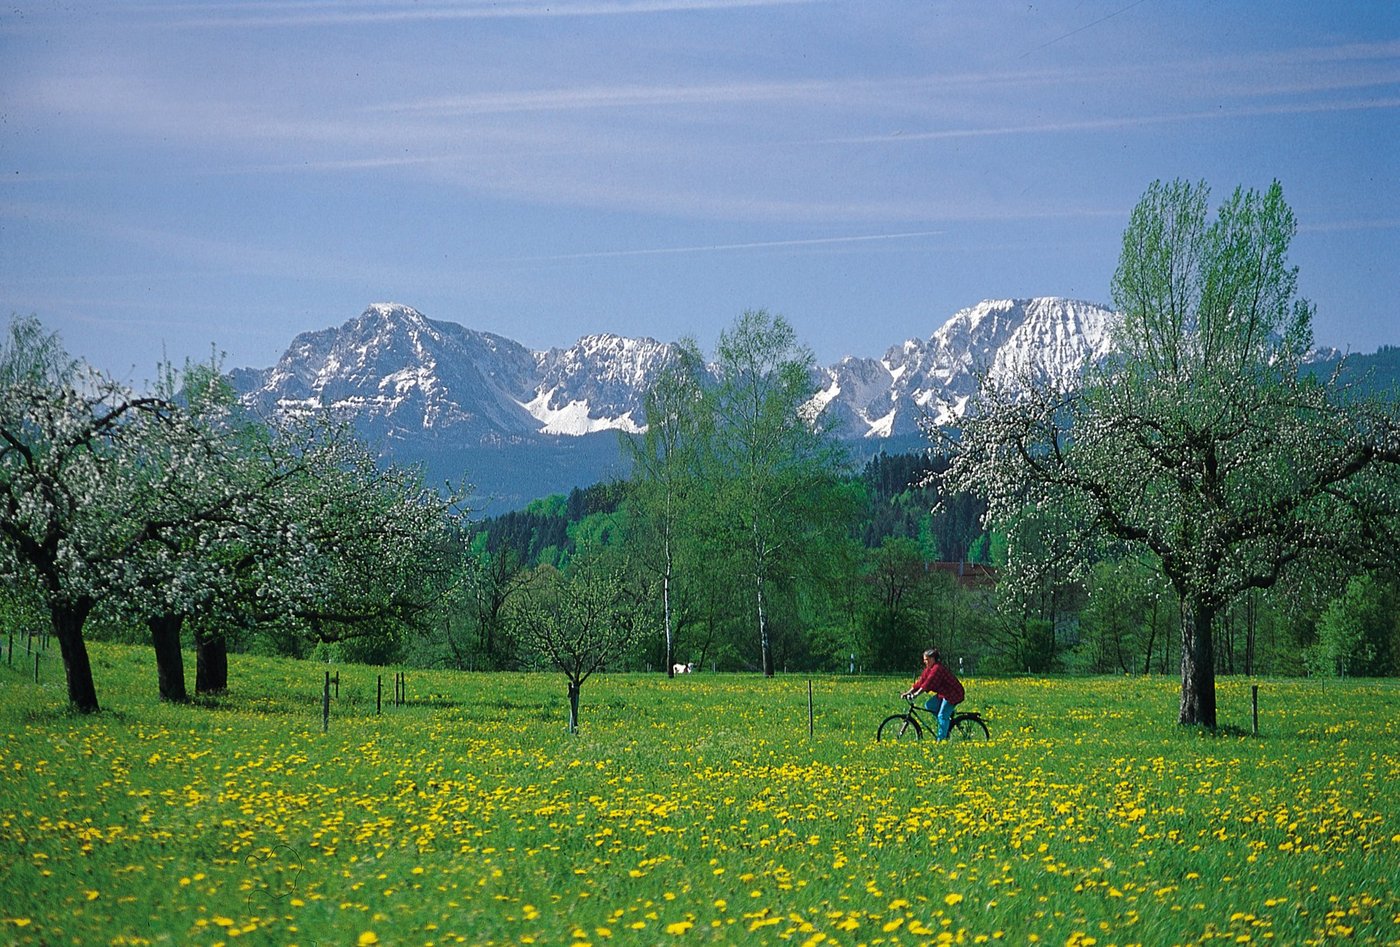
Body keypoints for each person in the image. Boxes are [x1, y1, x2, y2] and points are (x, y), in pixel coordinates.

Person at [901, 648, 965, 741]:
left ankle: (942, 740)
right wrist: (908, 692)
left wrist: (916, 694)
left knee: (942, 715)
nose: (924, 662)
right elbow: (920, 682)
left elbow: (927, 684)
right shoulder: (929, 669)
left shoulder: (937, 669)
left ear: (932, 659)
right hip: (944, 693)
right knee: (929, 705)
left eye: (926, 659)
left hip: (953, 693)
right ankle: (946, 724)